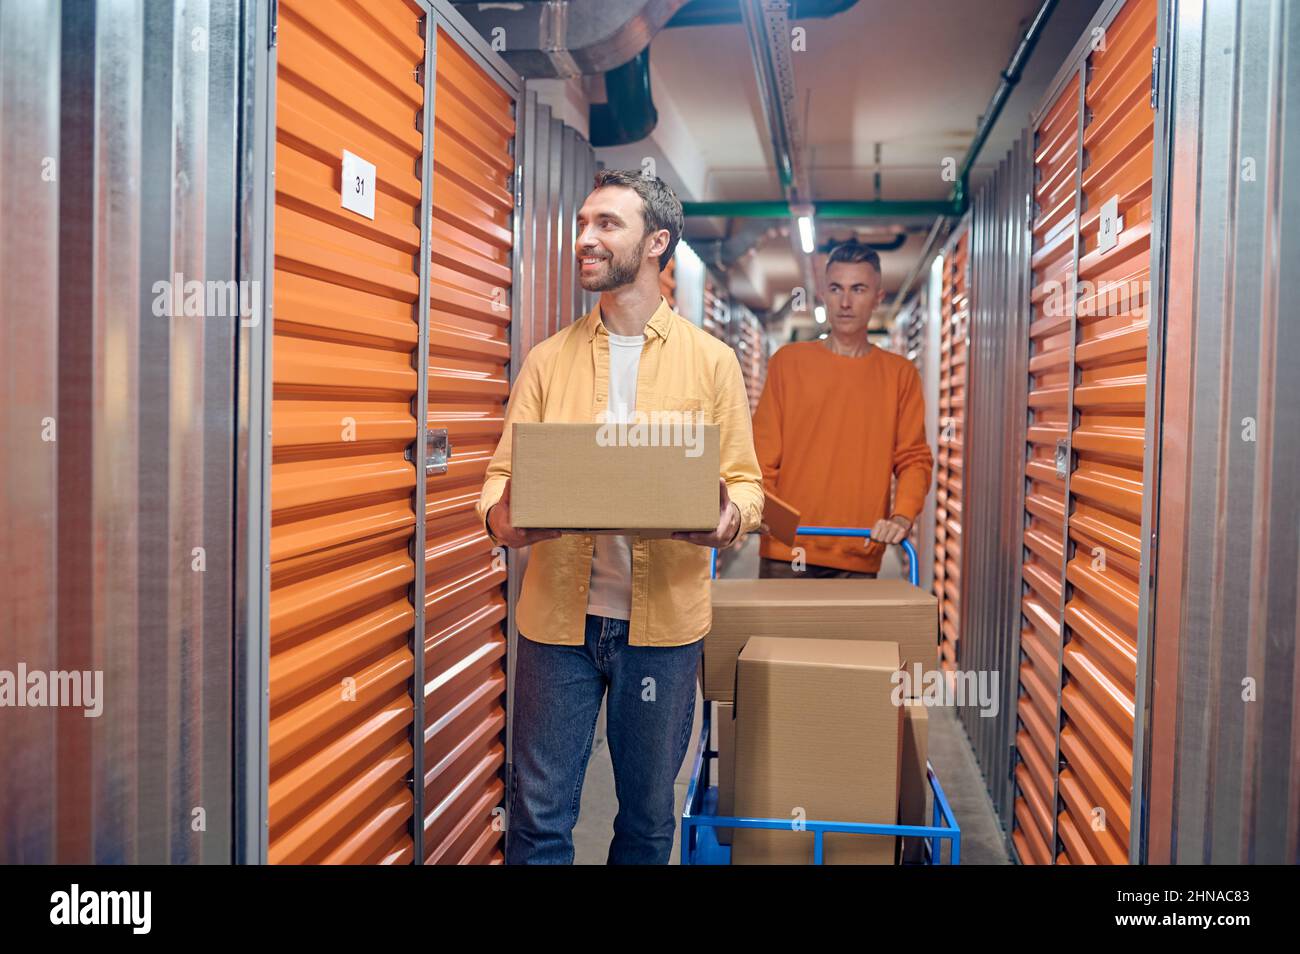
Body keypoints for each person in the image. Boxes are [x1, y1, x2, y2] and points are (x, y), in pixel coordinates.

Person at [476, 169, 764, 864]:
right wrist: (504, 522)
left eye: (607, 224)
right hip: (556, 630)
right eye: (582, 224)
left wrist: (725, 521)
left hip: (663, 632)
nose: (585, 239)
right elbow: (496, 486)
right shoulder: (548, 361)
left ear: (657, 242)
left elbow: (747, 487)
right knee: (539, 818)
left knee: (644, 821)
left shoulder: (713, 363)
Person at [751, 239, 933, 579]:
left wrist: (902, 517)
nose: (846, 302)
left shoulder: (899, 375)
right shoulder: (788, 364)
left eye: (858, 289)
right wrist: (770, 518)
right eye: (836, 288)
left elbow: (913, 459)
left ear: (878, 297)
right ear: (823, 293)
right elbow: (762, 459)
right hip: (787, 551)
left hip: (859, 553)